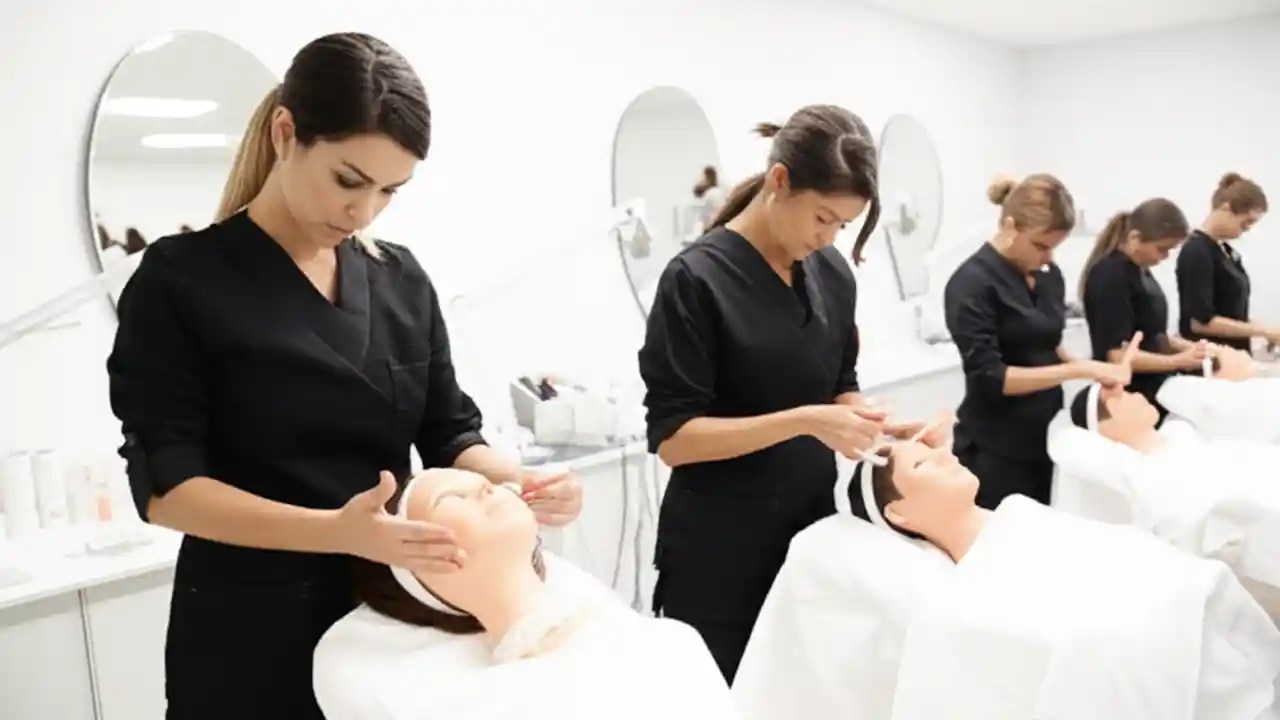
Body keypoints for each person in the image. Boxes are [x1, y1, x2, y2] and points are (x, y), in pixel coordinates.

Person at [106, 33, 583, 719]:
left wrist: (516, 482)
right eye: (348, 181)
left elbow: (450, 434)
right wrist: (337, 529)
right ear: (285, 132)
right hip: (247, 633)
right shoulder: (181, 282)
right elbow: (168, 490)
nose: (364, 212)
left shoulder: (401, 280)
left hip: (393, 619)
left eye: (390, 191)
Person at [639, 105, 925, 683]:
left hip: (809, 536)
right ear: (778, 181)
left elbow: (839, 383)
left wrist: (865, 420)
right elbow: (674, 440)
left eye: (842, 226)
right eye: (823, 218)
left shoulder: (831, 274)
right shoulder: (696, 280)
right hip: (719, 552)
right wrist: (803, 421)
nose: (827, 238)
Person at [733, 433, 1280, 720]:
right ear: (899, 515)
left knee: (1187, 583)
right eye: (923, 467)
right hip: (1145, 625)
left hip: (1184, 590)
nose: (943, 459)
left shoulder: (1022, 518)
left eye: (934, 452)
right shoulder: (964, 591)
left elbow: (1114, 555)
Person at [314, 468, 741, 720]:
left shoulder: (669, 646)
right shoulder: (477, 706)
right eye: (451, 498)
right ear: (418, 570)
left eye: (486, 482)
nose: (485, 488)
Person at [943, 174, 1132, 509]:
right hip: (993, 446)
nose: (1048, 258)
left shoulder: (1049, 277)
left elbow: (1048, 342)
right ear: (1011, 226)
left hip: (1045, 437)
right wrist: (1078, 370)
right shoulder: (971, 284)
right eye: (1041, 246)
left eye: (1054, 247)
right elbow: (992, 378)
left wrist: (1096, 372)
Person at [1079, 198, 1210, 416]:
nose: (1165, 256)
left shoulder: (1141, 270)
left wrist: (1192, 349)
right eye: (1162, 249)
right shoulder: (1110, 276)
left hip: (1155, 390)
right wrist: (1177, 361)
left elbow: (1154, 334)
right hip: (1128, 398)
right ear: (1134, 238)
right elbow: (1117, 355)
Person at [1177, 172, 1274, 352]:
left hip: (1235, 356)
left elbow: (1232, 313)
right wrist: (1263, 332)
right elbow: (1200, 322)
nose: (1247, 229)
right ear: (1225, 208)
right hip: (1211, 359)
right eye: (1246, 222)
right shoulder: (1197, 251)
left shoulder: (1227, 252)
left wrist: (1265, 331)